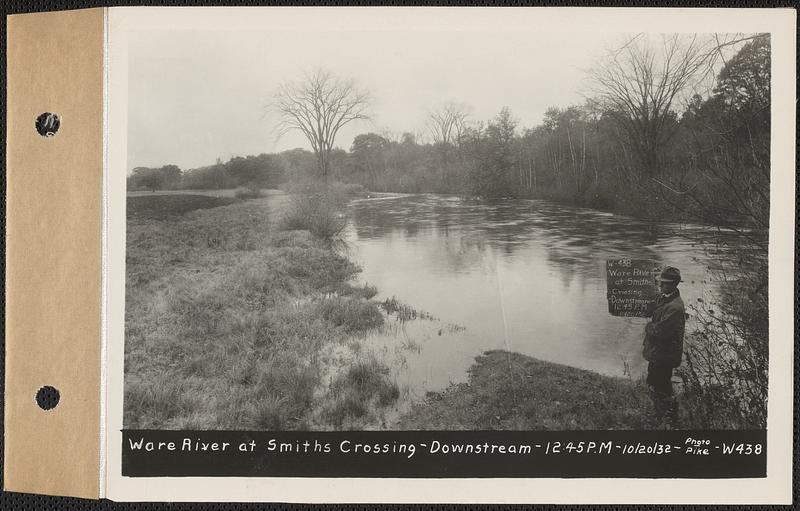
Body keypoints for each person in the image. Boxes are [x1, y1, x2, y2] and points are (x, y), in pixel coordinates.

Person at [643, 266, 685, 427]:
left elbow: (661, 332)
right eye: (661, 282)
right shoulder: (665, 298)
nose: (661, 286)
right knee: (654, 382)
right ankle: (661, 417)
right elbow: (654, 310)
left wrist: (648, 327)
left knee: (662, 386)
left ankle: (670, 420)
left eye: (665, 284)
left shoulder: (675, 307)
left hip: (665, 356)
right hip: (658, 353)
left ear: (674, 284)